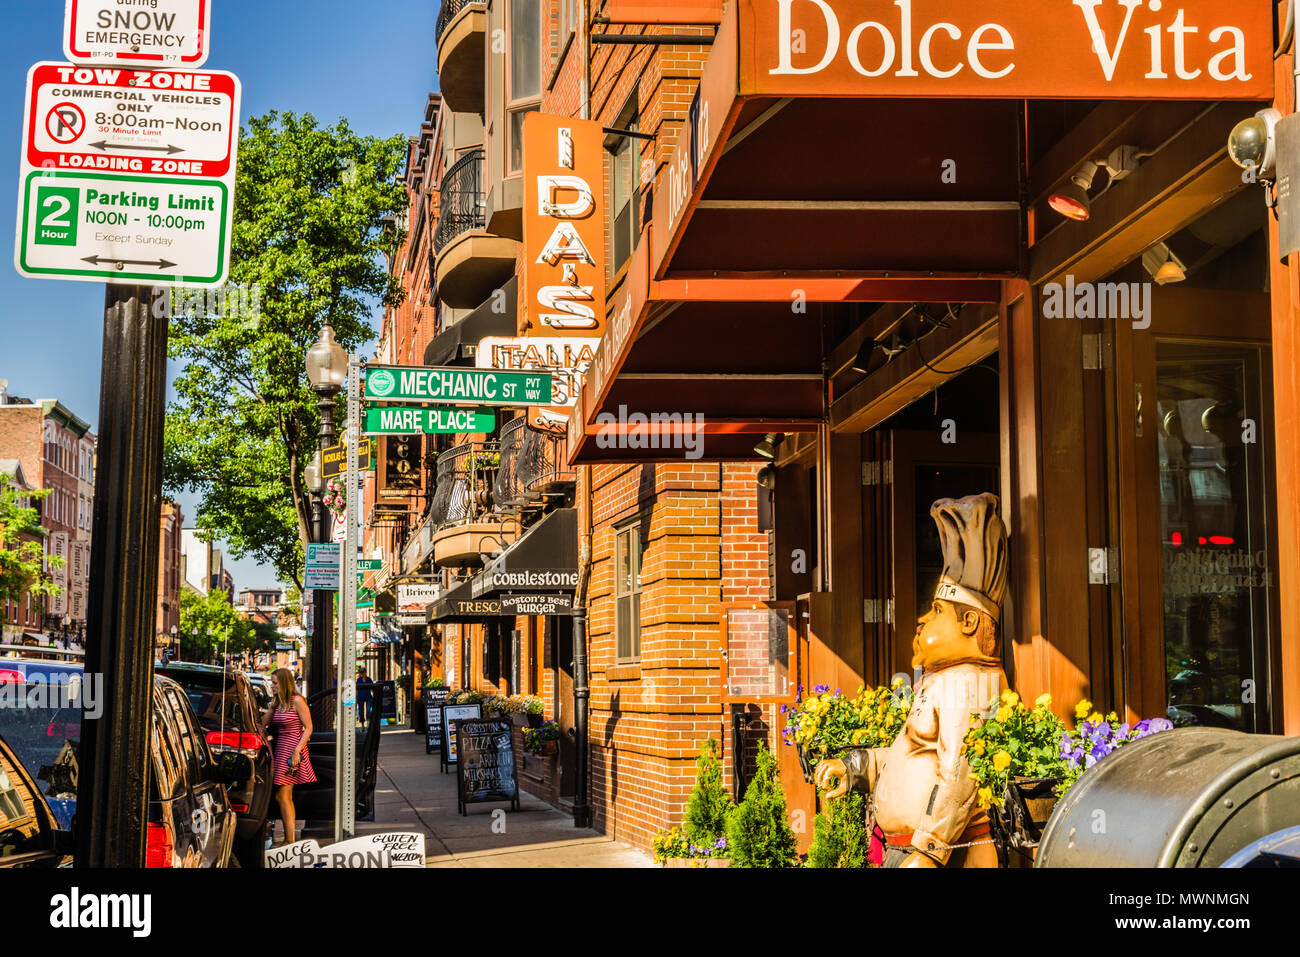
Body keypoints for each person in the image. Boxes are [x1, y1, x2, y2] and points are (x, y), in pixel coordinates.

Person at [259, 667, 316, 846]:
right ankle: (289, 838)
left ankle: (289, 839)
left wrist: (297, 751)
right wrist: (272, 705)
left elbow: (308, 727)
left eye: (275, 683)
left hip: (293, 750)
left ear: (283, 682)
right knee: (284, 796)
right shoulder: (279, 702)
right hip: (282, 747)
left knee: (282, 796)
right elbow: (263, 724)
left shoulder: (297, 700)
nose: (272, 685)